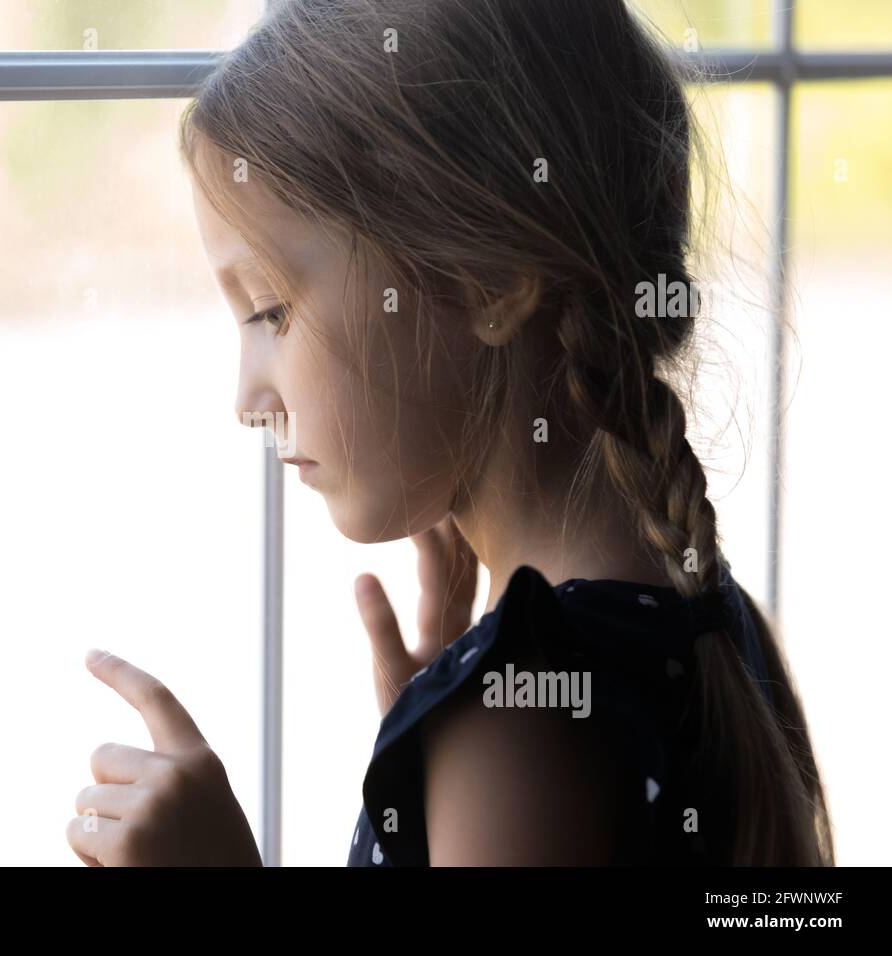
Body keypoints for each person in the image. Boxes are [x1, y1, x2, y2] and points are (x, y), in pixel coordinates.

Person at [65, 0, 833, 866]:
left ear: (491, 282)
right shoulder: (703, 617)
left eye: (272, 310)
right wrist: (435, 753)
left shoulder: (519, 722)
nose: (247, 400)